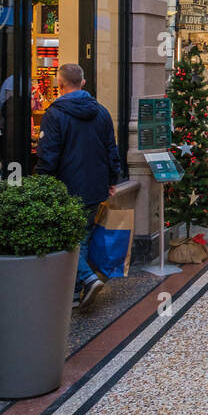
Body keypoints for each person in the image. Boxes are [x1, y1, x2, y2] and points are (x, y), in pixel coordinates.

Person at [34, 63, 125, 309]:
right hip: (95, 188)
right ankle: (75, 295)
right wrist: (111, 180)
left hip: (67, 188)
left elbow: (48, 155)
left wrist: (41, 184)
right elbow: (111, 149)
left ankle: (87, 277)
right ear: (83, 83)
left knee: (68, 239)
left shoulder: (55, 114)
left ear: (60, 85)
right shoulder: (102, 112)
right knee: (81, 238)